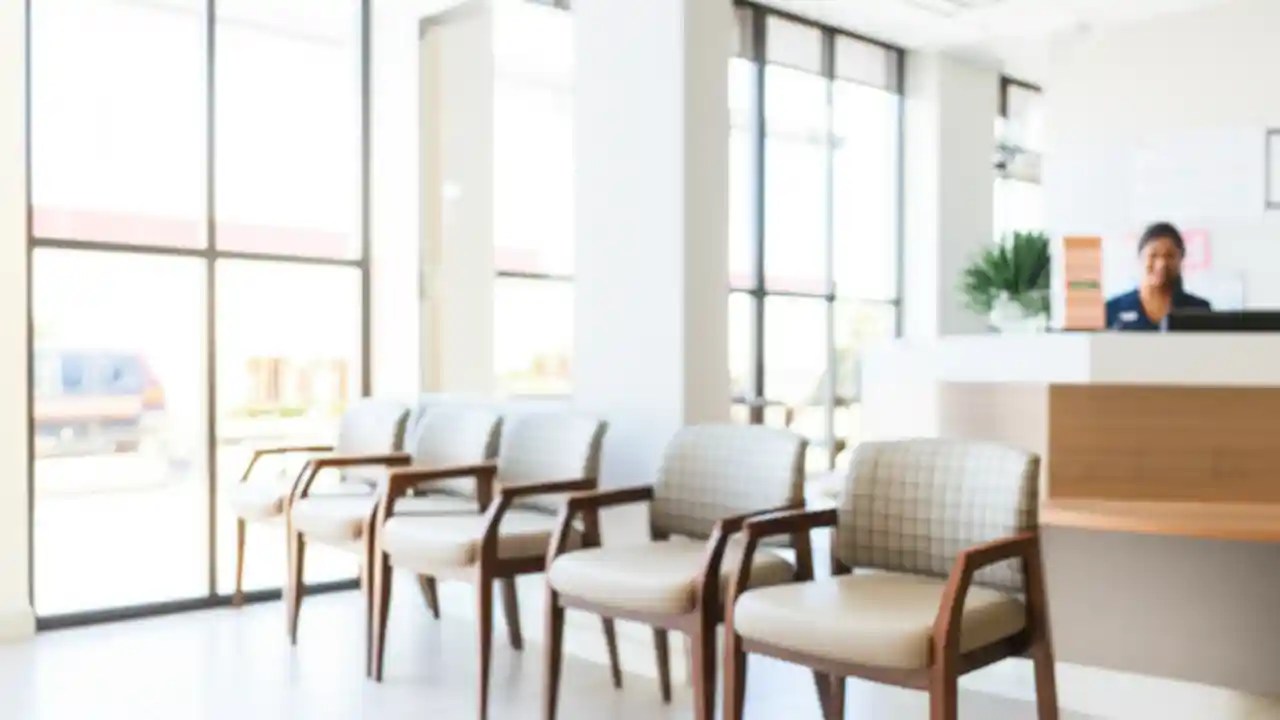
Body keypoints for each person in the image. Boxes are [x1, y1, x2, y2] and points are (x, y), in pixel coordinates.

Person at [1105, 222, 1211, 330]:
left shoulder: (1199, 309)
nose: (1161, 264)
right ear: (1140, 257)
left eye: (1169, 256)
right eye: (1153, 255)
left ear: (1181, 259)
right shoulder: (1112, 309)